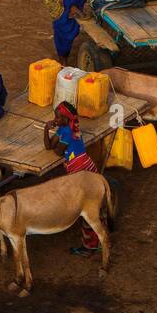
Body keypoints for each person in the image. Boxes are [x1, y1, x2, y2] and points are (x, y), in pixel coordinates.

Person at [46, 102, 102, 257]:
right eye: (55, 116)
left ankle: (91, 246)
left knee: (86, 209)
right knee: (93, 206)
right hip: (85, 165)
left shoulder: (67, 132)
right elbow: (50, 146)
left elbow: (57, 151)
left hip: (79, 171)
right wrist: (46, 129)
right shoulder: (68, 128)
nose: (55, 119)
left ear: (66, 119)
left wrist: (50, 133)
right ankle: (97, 239)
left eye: (58, 117)